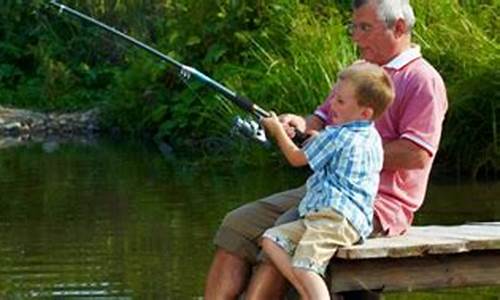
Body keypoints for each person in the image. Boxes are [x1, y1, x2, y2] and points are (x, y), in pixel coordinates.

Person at [204, 0, 448, 299]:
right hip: (323, 191)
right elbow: (322, 119)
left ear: (398, 27)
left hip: (375, 204)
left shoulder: (423, 80)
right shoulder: (360, 72)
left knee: (284, 236)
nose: (355, 36)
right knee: (237, 225)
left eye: (365, 27)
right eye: (354, 27)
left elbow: (417, 154)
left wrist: (346, 151)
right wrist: (298, 123)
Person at [259, 62, 394, 300]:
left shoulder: (335, 135)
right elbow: (336, 152)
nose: (332, 105)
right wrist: (315, 141)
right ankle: (309, 293)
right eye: (334, 98)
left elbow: (296, 158)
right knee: (273, 240)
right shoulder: (372, 136)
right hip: (349, 220)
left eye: (340, 101)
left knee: (305, 266)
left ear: (365, 112)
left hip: (333, 219)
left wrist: (277, 131)